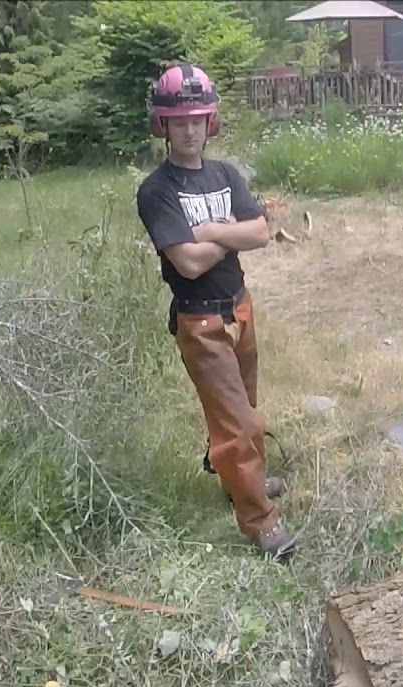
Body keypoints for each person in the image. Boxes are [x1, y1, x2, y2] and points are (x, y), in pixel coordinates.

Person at [135, 62, 295, 561]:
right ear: (162, 125)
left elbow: (262, 232)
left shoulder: (225, 174)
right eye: (179, 121)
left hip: (239, 308)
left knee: (245, 409)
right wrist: (231, 233)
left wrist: (209, 232)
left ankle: (243, 479)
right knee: (235, 425)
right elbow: (186, 262)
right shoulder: (157, 190)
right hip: (200, 320)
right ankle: (261, 522)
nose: (189, 130)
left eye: (197, 120)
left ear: (211, 122)